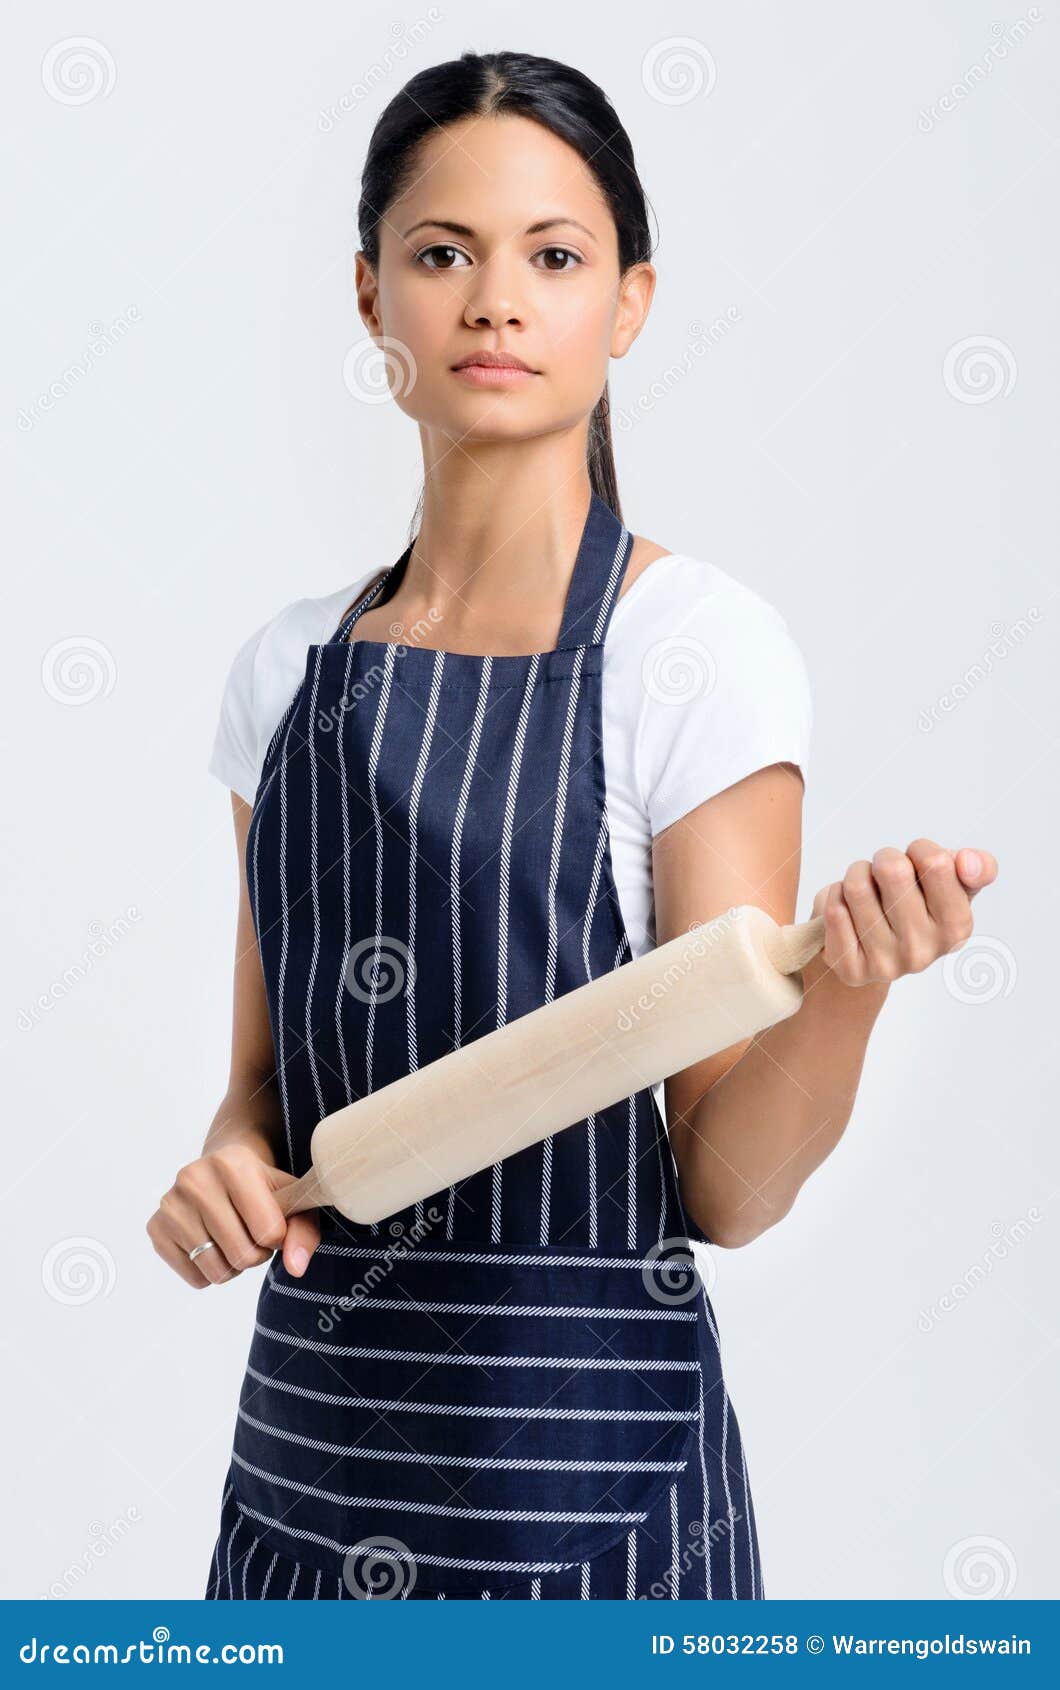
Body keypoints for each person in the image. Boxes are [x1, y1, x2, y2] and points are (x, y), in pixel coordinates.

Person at [147, 50, 997, 1601]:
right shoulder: (284, 675)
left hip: (591, 1509)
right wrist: (222, 1168)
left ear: (632, 302)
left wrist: (853, 986)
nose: (495, 301)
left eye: (554, 255)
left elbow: (727, 1188)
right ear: (367, 296)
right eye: (441, 253)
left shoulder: (697, 650)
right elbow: (261, 1093)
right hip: (304, 1486)